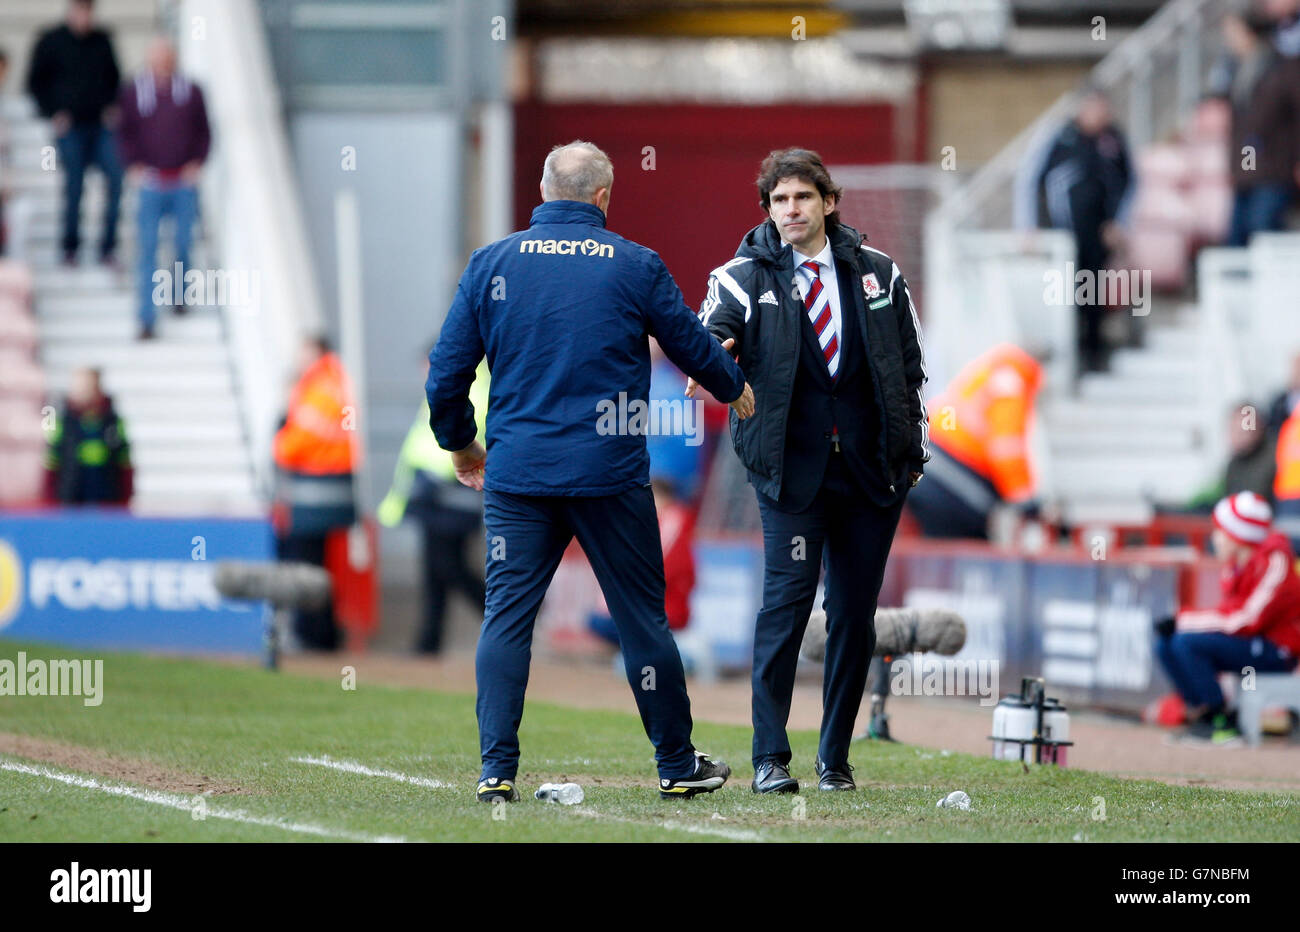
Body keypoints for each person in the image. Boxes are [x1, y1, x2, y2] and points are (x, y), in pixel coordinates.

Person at [426, 140, 753, 803]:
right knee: (642, 623)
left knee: (507, 622)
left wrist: (461, 446)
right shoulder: (635, 265)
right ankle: (676, 764)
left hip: (518, 478)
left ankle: (497, 771)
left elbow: (445, 376)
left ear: (543, 193)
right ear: (604, 196)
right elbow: (691, 344)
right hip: (610, 476)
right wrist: (733, 386)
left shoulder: (492, 263)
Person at [692, 148, 928, 793]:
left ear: (829, 202)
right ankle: (770, 757)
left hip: (870, 474)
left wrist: (911, 451)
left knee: (854, 615)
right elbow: (713, 334)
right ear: (767, 210)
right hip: (790, 474)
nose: (790, 211)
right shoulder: (742, 276)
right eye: (778, 201)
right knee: (786, 608)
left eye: (802, 198)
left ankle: (836, 759)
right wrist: (714, 358)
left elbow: (910, 370)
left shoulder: (879, 274)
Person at [1154, 491, 1300, 745]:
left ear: (1240, 536)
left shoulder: (1275, 561)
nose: (1215, 538)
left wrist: (1183, 621)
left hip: (1277, 650)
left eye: (1220, 531)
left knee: (1186, 642)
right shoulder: (1235, 565)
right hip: (1250, 644)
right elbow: (1228, 615)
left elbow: (1247, 620)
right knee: (1166, 644)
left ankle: (1223, 722)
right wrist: (1181, 623)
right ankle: (1204, 714)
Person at [377, 359, 489, 655]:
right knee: (434, 570)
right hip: (437, 492)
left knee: (448, 566)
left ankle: (500, 617)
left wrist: (435, 475)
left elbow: (463, 437)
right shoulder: (451, 389)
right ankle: (428, 641)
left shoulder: (467, 389)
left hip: (451, 491)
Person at [116, 37, 210, 340]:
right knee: (148, 250)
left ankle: (180, 294)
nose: (161, 64)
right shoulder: (135, 92)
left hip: (182, 180)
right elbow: (123, 131)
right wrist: (133, 164)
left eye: (166, 57)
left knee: (183, 242)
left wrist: (198, 161)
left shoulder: (190, 91)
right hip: (152, 182)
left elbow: (204, 131)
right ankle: (146, 317)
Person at [1036, 88, 1133, 373]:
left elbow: (1128, 182)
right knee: (1066, 296)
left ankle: (1094, 353)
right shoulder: (1060, 137)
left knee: (1094, 294)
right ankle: (1070, 357)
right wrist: (1032, 227)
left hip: (1099, 236)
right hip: (1064, 237)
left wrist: (1119, 223)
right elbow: (1035, 181)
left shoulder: (1113, 140)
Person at [272, 336, 358, 651]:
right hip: (328, 492)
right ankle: (322, 633)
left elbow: (294, 443)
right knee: (316, 565)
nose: (298, 359)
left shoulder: (318, 387)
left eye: (303, 352)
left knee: (306, 565)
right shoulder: (333, 382)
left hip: (314, 494)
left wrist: (279, 444)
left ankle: (315, 635)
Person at [905, 343, 1043, 539]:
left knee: (939, 552)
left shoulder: (990, 373)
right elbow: (1006, 447)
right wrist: (1024, 499)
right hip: (951, 478)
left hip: (931, 467)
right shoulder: (1012, 382)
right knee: (967, 554)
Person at [25, 0, 122, 268]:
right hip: (70, 127)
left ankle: (108, 247)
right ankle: (70, 246)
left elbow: (115, 79)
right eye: (80, 10)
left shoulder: (102, 40)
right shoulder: (51, 40)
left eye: (88, 11)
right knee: (74, 182)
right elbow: (35, 83)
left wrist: (111, 107)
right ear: (71, 11)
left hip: (100, 125)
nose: (84, 17)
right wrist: (53, 112)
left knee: (116, 175)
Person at [1216, 13, 1300, 247]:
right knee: (1236, 239)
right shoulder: (1238, 72)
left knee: (1263, 231)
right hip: (1246, 173)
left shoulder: (1283, 68)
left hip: (1273, 170)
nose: (1229, 41)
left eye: (1233, 34)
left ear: (1249, 33)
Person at [43, 367, 132, 506]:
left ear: (97, 389)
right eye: (78, 389)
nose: (81, 394)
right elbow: (51, 464)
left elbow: (125, 464)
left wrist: (124, 501)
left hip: (107, 502)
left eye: (86, 388)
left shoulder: (112, 424)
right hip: (70, 501)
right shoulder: (63, 423)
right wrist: (51, 501)